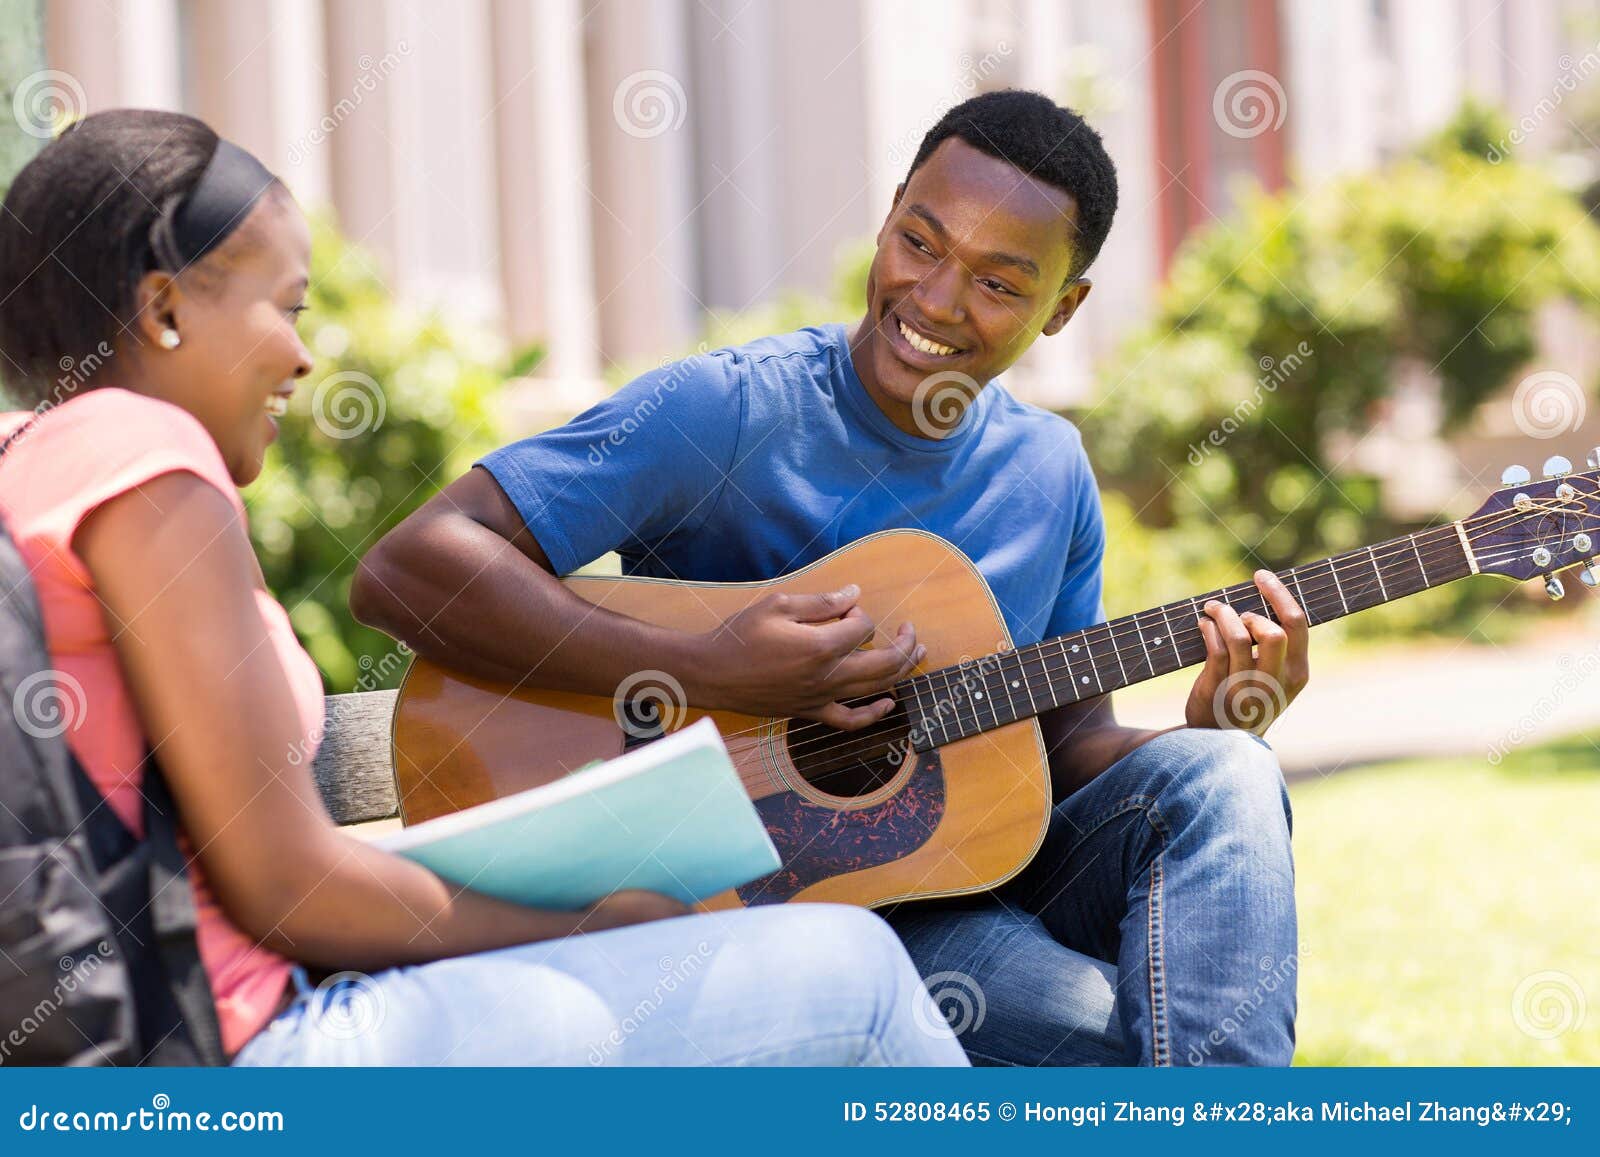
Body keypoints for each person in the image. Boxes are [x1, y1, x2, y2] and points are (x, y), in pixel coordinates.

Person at [355, 90, 1307, 1067]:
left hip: (959, 886)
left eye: (998, 283)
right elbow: (406, 570)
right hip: (757, 915)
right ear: (890, 212)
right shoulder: (726, 410)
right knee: (1122, 1043)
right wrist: (706, 667)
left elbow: (1066, 741)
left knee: (1227, 768)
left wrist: (1218, 715)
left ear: (1063, 308)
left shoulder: (1049, 469)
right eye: (920, 242)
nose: (934, 298)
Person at [0, 109, 968, 1068]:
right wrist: (590, 915)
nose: (302, 355)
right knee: (857, 972)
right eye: (287, 308)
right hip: (252, 1054)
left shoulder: (32, 461)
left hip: (204, 1035)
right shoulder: (143, 452)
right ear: (166, 308)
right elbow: (287, 883)